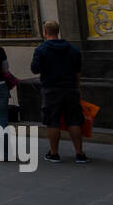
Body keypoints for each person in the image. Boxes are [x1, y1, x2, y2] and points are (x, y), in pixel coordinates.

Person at [30, 20, 88, 163]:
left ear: (45, 32)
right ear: (58, 31)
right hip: (70, 88)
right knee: (74, 120)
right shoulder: (73, 49)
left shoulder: (41, 49)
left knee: (52, 121)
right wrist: (78, 88)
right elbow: (77, 71)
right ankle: (79, 153)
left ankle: (54, 153)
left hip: (51, 89)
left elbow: (34, 69)